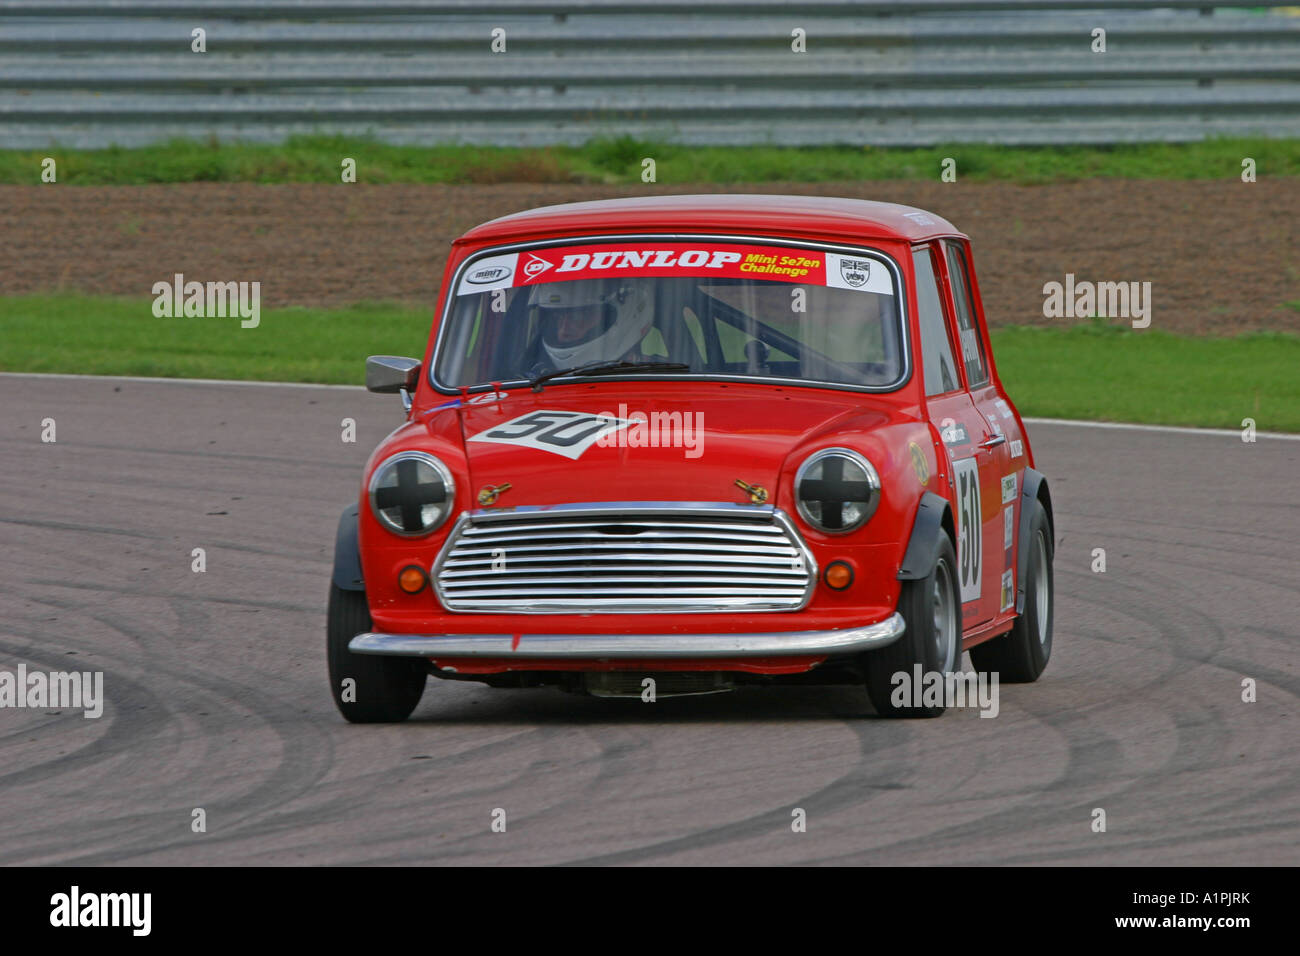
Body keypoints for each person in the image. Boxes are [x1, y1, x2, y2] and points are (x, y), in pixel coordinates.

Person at [528, 278, 654, 371]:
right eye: (557, 317)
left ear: (627, 313)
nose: (563, 330)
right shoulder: (532, 376)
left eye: (578, 315)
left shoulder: (659, 383)